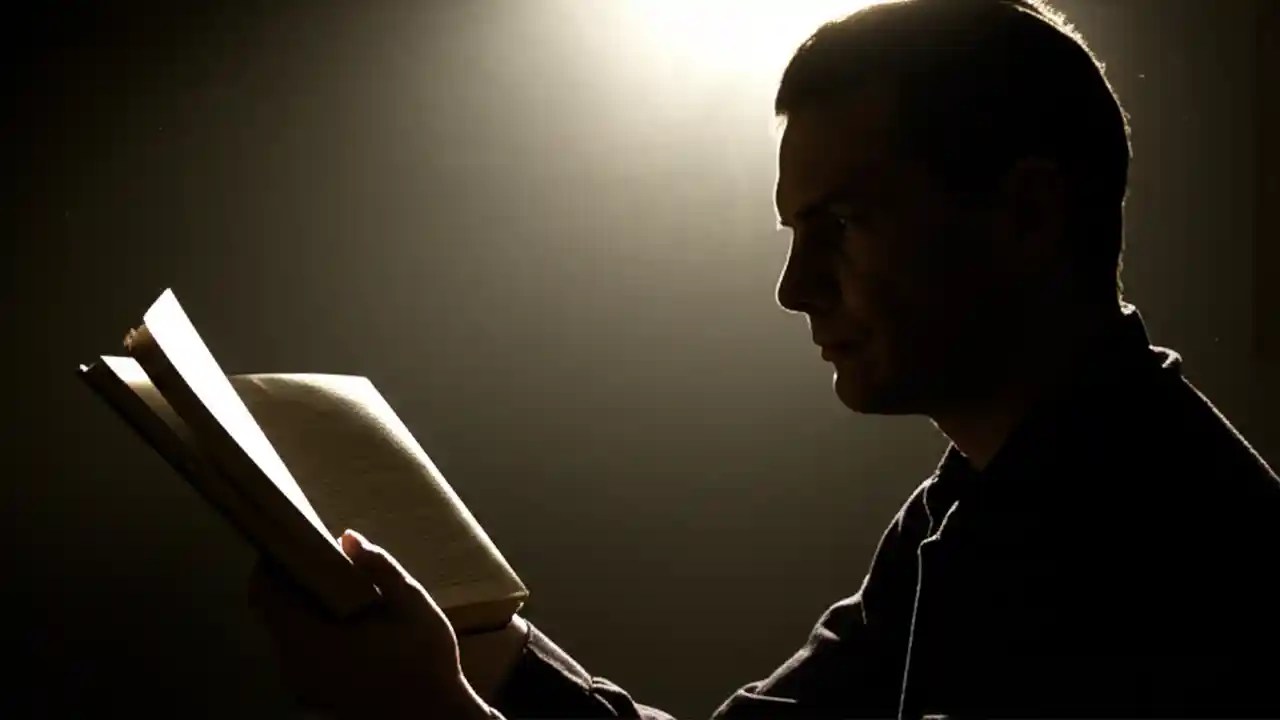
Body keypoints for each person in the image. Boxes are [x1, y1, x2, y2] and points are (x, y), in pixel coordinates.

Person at [249, 0, 1280, 717]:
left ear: (1024, 215)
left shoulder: (1189, 559)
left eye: (842, 225)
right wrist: (490, 658)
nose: (794, 289)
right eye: (793, 233)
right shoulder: (956, 516)